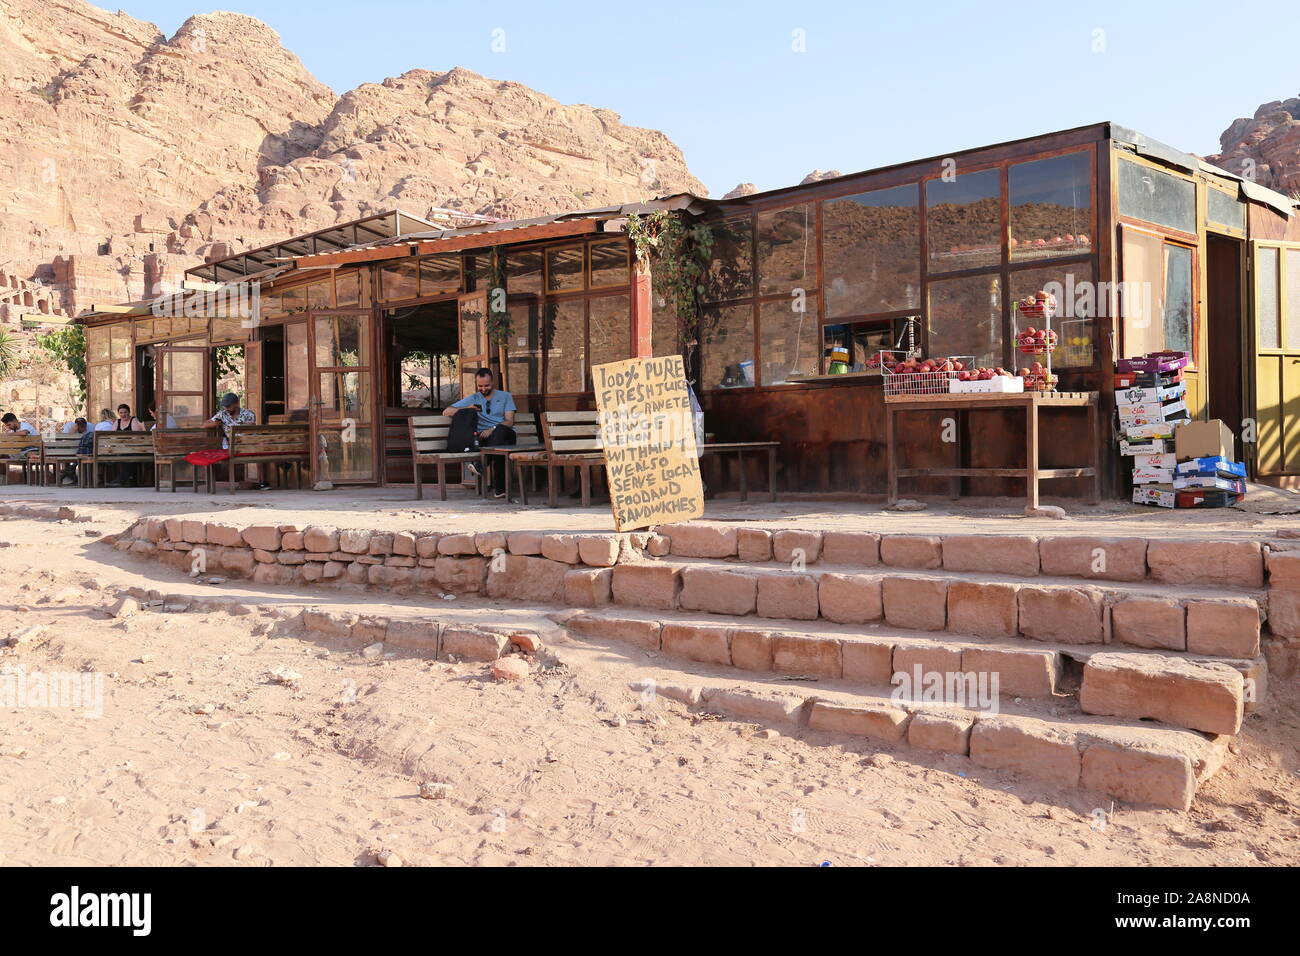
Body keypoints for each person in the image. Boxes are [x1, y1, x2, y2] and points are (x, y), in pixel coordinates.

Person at [441, 368, 516, 497]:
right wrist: (467, 409)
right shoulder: (473, 398)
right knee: (498, 448)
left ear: (493, 382)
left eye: (486, 385)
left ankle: (480, 465)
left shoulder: (505, 396)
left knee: (500, 433)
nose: (483, 389)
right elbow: (446, 412)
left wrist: (492, 428)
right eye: (480, 386)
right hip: (484, 438)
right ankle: (500, 489)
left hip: (504, 433)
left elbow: (509, 421)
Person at [204, 392, 267, 490]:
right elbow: (205, 425)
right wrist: (216, 423)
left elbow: (251, 427)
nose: (226, 409)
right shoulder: (222, 414)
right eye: (225, 406)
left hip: (247, 443)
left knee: (257, 450)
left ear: (237, 403)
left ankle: (262, 482)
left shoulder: (248, 414)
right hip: (231, 445)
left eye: (229, 406)